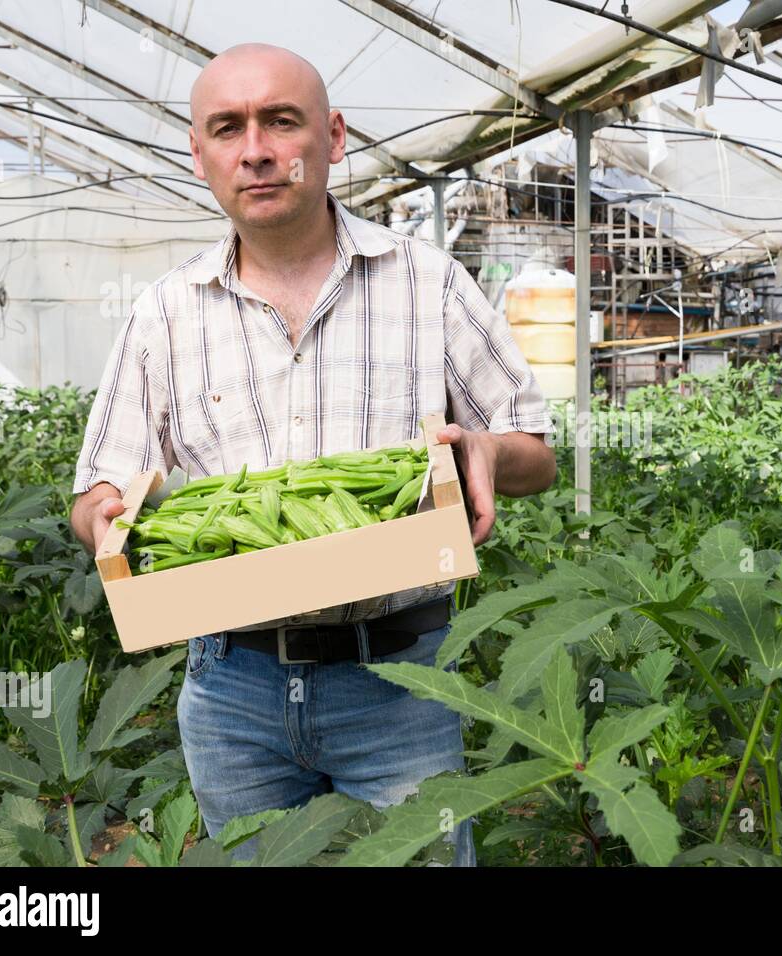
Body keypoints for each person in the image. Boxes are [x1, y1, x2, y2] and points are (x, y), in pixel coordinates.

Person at [69, 43, 557, 866]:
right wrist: (107, 520)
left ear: (332, 137)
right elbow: (96, 494)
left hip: (399, 678)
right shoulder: (163, 313)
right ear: (201, 155)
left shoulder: (427, 281)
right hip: (232, 689)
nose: (255, 149)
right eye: (228, 128)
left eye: (280, 121)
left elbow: (536, 455)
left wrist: (479, 448)